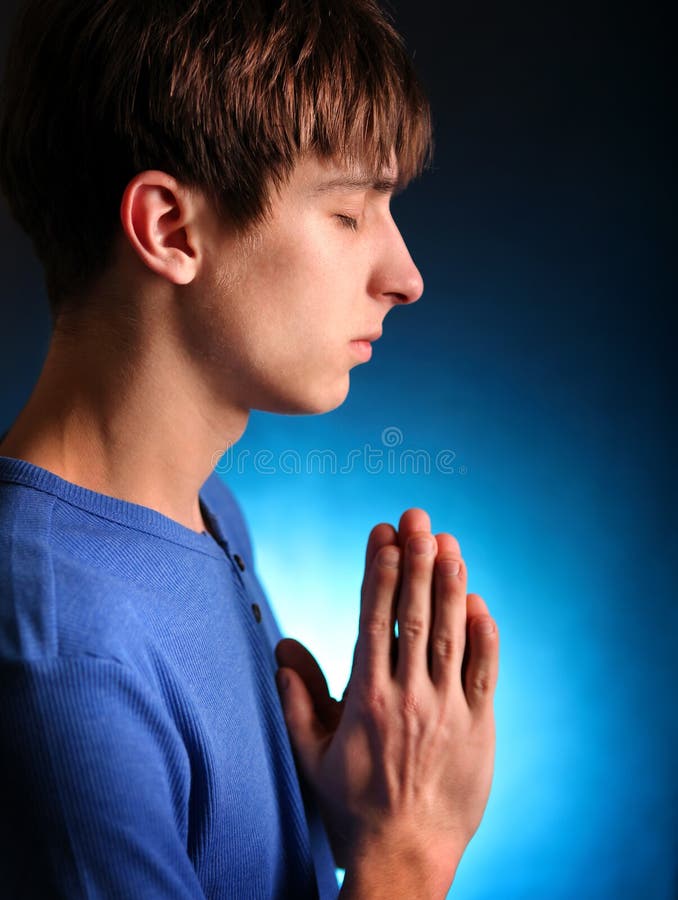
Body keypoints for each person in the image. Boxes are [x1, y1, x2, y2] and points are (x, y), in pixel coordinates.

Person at [0, 0, 500, 897]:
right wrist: (406, 853)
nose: (406, 276)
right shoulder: (60, 661)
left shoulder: (204, 510)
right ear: (170, 230)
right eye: (349, 212)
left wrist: (338, 814)